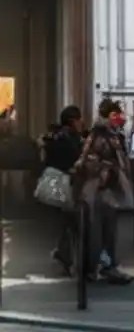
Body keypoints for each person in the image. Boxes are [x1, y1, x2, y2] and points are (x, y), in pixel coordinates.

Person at [70, 99, 134, 284]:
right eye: (116, 115)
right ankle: (98, 267)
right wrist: (107, 172)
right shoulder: (99, 135)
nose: (121, 118)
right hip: (99, 189)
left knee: (110, 229)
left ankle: (107, 265)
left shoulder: (113, 135)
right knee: (98, 229)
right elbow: (87, 161)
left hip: (109, 189)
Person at [43, 106, 85, 276]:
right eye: (79, 119)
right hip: (67, 183)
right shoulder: (69, 138)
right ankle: (66, 255)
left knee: (67, 221)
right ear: (72, 121)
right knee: (72, 220)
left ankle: (64, 254)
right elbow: (73, 159)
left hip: (59, 183)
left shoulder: (56, 137)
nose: (82, 122)